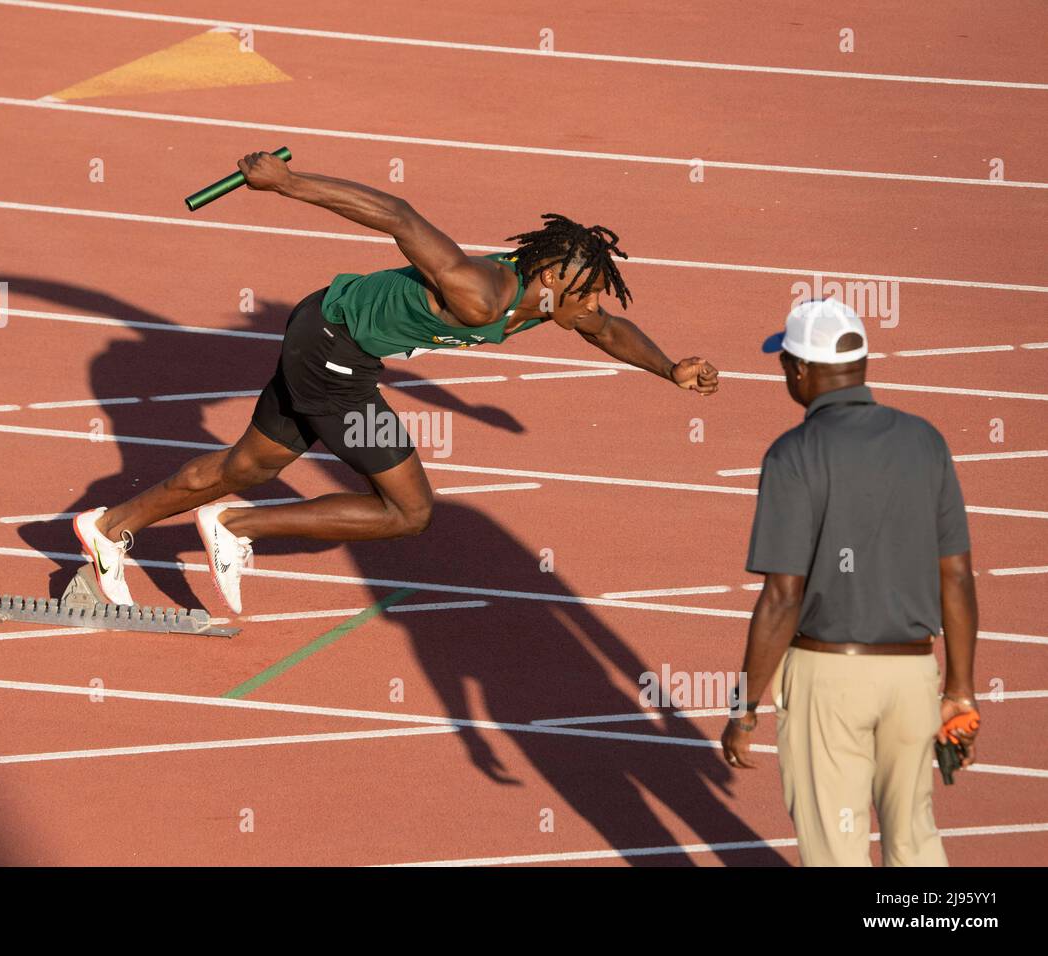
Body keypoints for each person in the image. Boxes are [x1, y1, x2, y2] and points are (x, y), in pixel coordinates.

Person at [73, 151, 719, 613]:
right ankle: (237, 528)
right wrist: (288, 183)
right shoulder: (482, 293)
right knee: (409, 511)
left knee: (247, 465)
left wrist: (668, 369)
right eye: (590, 290)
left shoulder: (555, 303)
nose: (595, 304)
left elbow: (606, 332)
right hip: (334, 354)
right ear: (551, 278)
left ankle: (109, 528)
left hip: (325, 332)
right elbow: (400, 216)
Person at [720, 297, 980, 866]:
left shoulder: (795, 453)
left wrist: (744, 707)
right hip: (914, 674)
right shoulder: (925, 440)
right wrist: (959, 690)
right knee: (914, 839)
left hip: (829, 675)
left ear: (801, 371)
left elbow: (782, 595)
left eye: (785, 362)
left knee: (835, 849)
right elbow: (956, 575)